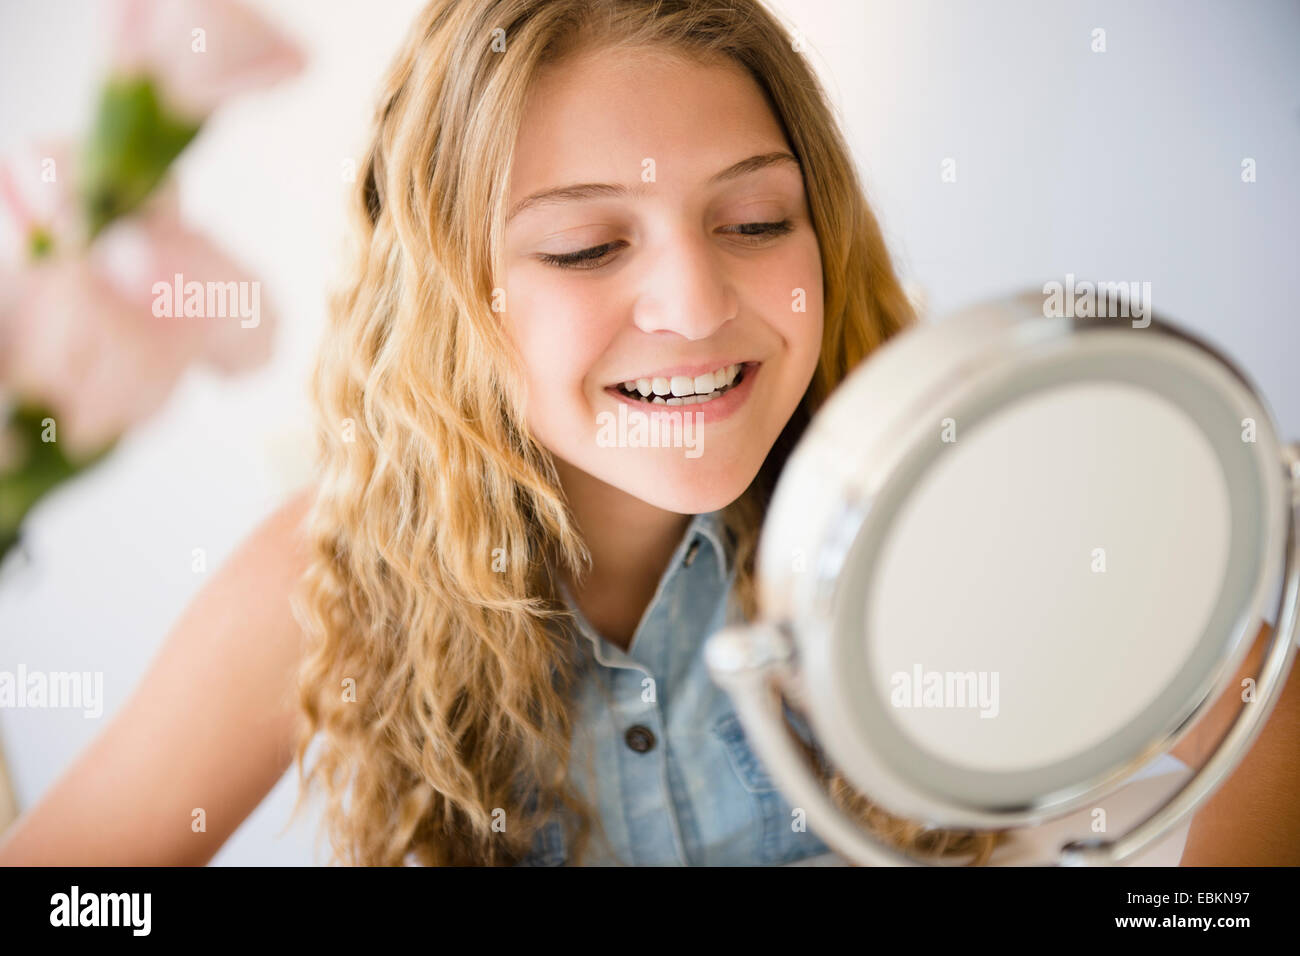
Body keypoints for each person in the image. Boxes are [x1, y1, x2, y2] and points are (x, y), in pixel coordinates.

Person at [17, 0, 1277, 868]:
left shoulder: (957, 490)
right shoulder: (328, 584)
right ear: (455, 290)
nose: (691, 304)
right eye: (587, 244)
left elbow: (1253, 692)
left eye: (754, 222)